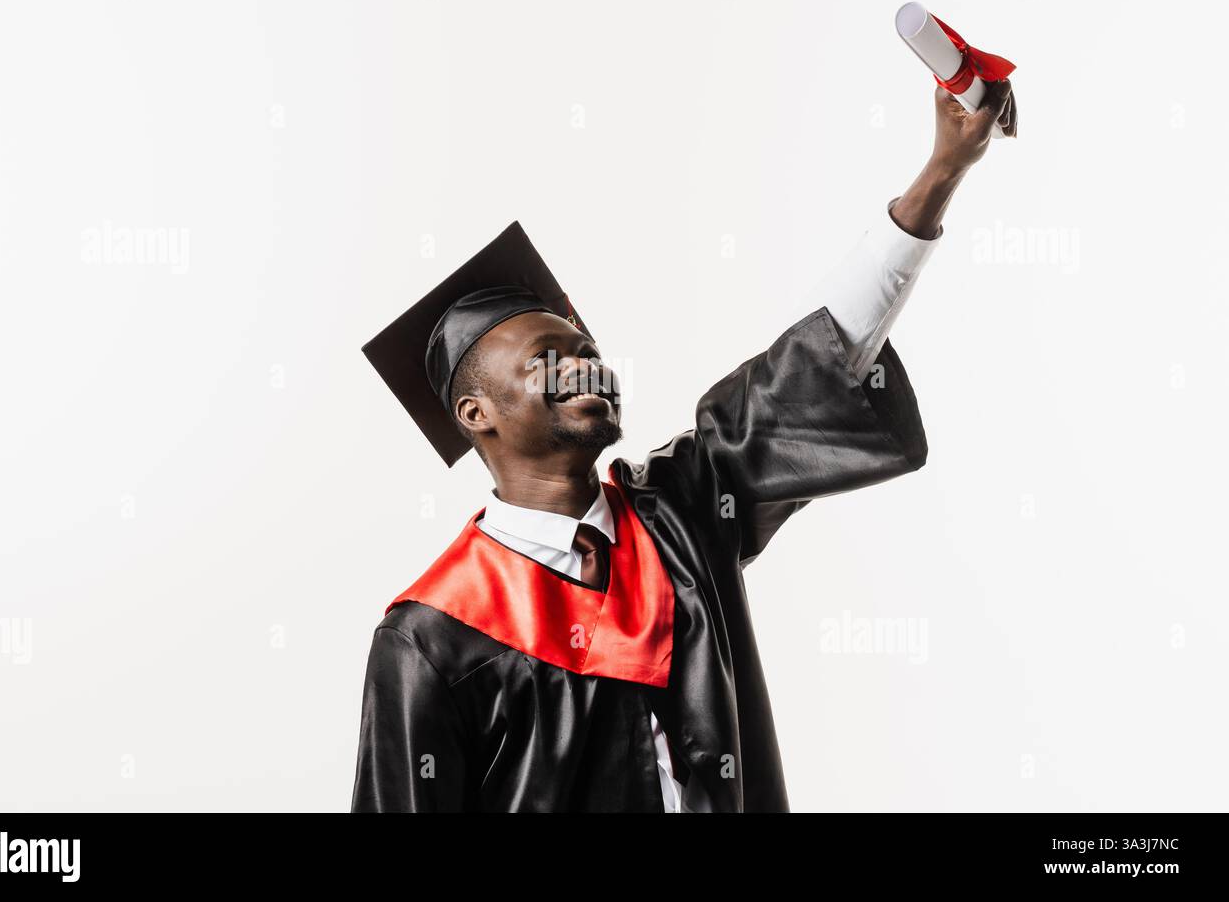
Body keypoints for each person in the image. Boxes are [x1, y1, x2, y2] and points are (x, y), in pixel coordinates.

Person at [353, 80, 1017, 811]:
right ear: (478, 413)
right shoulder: (432, 635)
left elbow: (811, 366)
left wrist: (940, 174)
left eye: (588, 347)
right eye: (549, 355)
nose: (587, 362)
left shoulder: (683, 514)